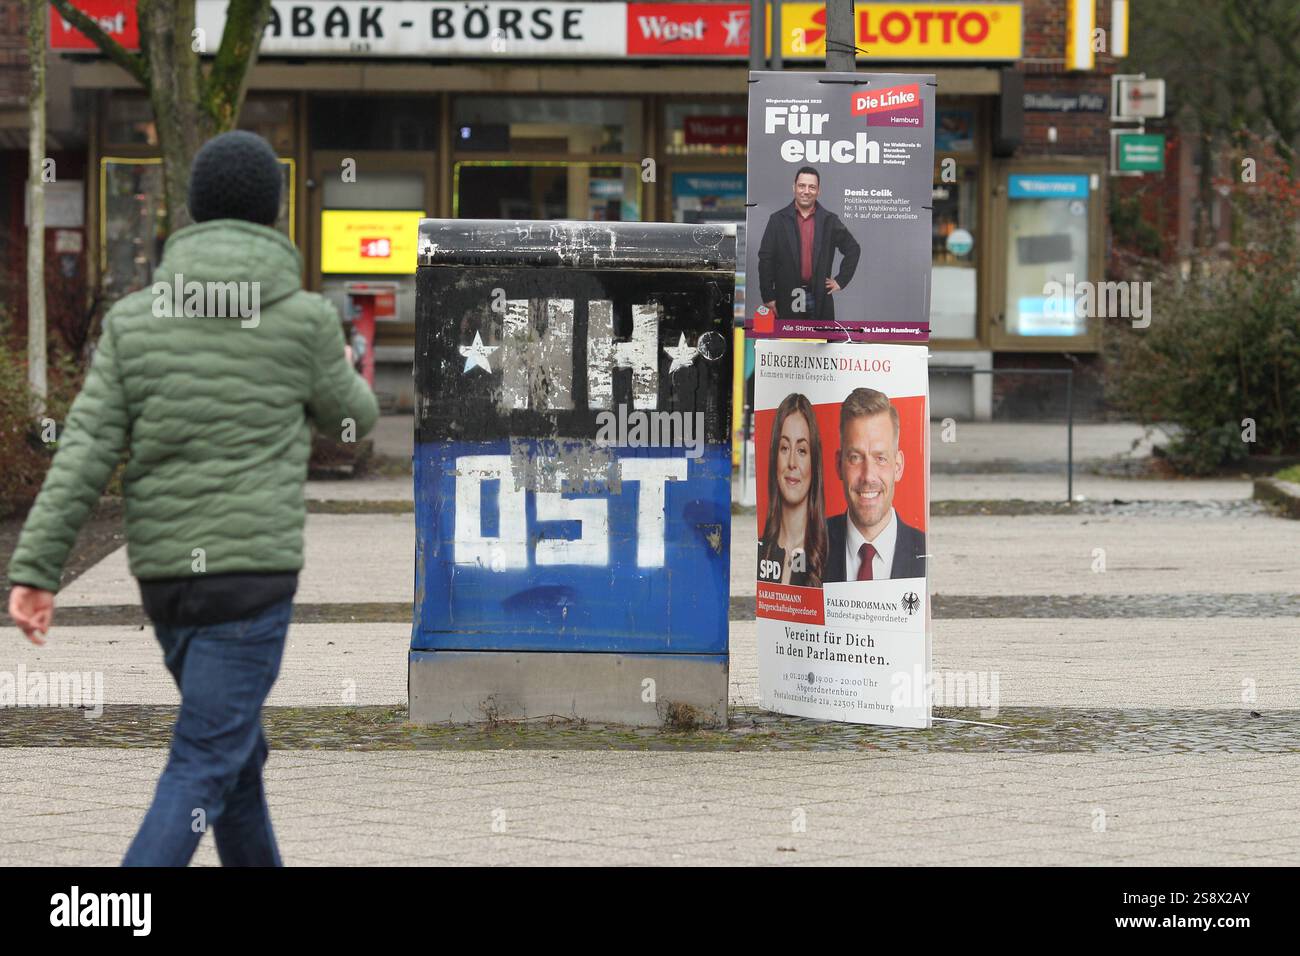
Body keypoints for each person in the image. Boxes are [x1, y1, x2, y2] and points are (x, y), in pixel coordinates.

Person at [6, 130, 379, 866]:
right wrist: (336, 367)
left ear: (194, 211)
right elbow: (357, 419)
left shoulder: (135, 322)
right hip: (251, 582)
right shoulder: (302, 320)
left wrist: (37, 571)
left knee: (234, 753)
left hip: (167, 581)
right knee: (206, 761)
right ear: (273, 215)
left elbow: (84, 450)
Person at [824, 387, 925, 583]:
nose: (868, 476)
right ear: (838, 465)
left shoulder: (926, 552)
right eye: (855, 458)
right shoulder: (807, 546)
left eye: (880, 458)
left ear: (898, 466)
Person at [757, 166, 861, 326]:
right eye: (802, 186)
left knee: (821, 347)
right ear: (794, 187)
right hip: (786, 297)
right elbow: (765, 260)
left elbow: (853, 248)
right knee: (789, 347)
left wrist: (841, 280)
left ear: (818, 191)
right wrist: (768, 296)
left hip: (819, 296)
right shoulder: (777, 220)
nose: (806, 191)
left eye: (812, 187)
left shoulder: (830, 221)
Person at [757, 393, 828, 588]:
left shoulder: (832, 556)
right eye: (784, 448)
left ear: (814, 461)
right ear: (775, 456)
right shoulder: (762, 550)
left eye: (802, 451)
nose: (792, 463)